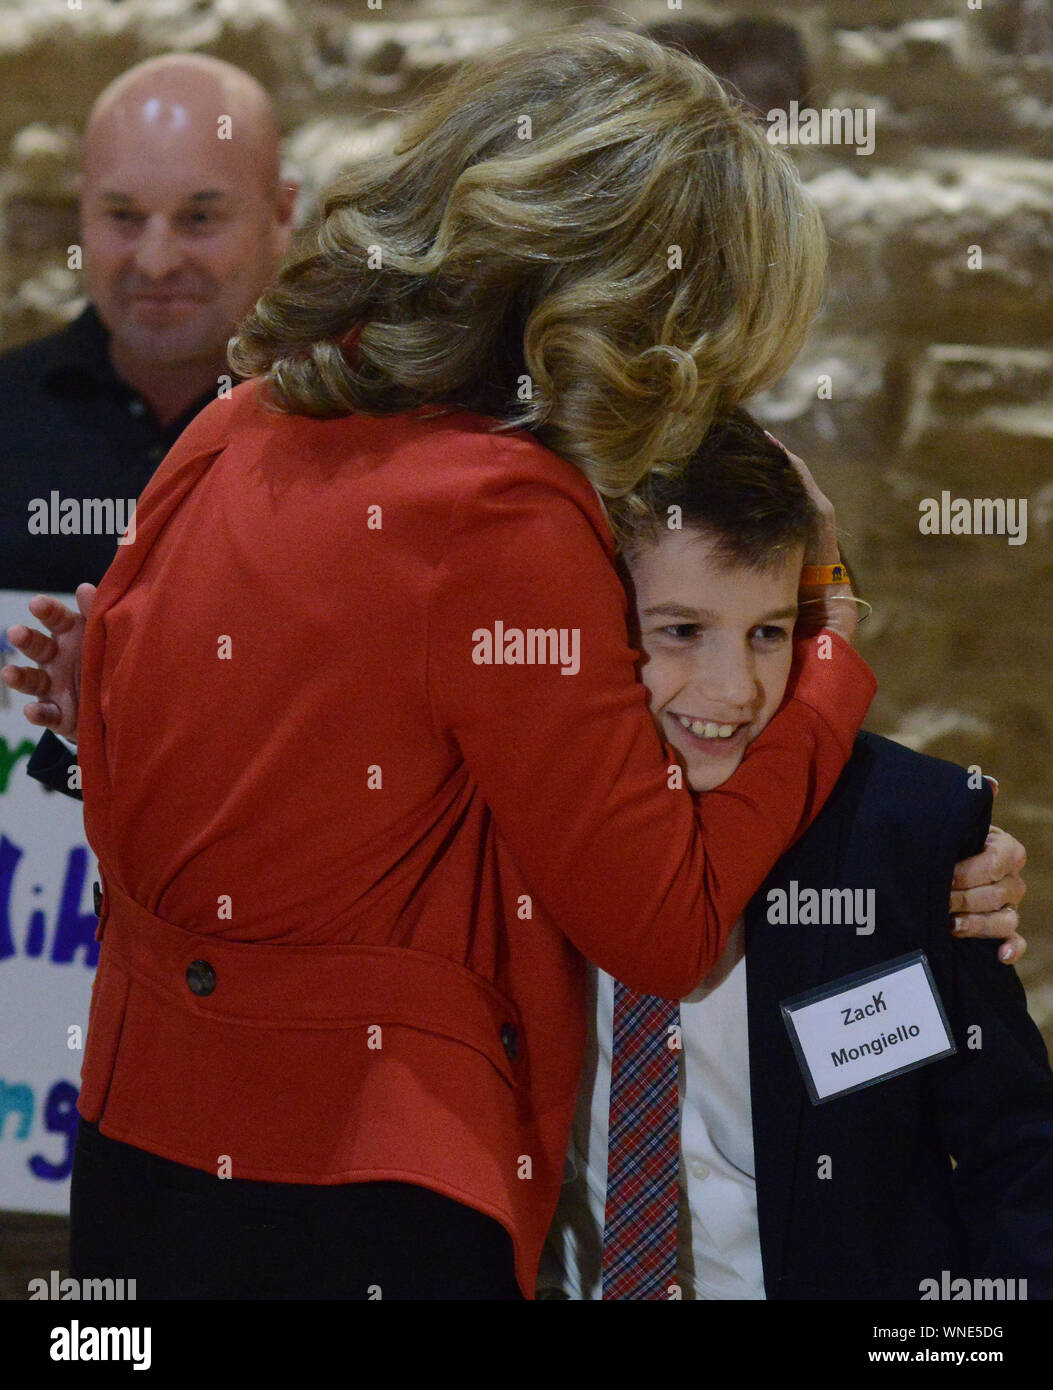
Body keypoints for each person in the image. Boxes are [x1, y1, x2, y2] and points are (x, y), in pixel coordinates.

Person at [0, 24, 1024, 1301]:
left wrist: (920, 850)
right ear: (639, 306)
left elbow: (155, 776)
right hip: (364, 1180)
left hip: (137, 1149)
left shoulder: (240, 419)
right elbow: (661, 921)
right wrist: (825, 634)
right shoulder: (497, 510)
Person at [539, 412, 1052, 1300]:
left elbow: (1019, 1160)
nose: (732, 691)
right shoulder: (514, 818)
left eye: (767, 633)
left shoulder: (902, 830)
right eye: (679, 631)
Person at [0, 53, 298, 596]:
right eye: (123, 216)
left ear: (280, 214)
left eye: (199, 217)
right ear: (84, 215)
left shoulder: (344, 423)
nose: (156, 261)